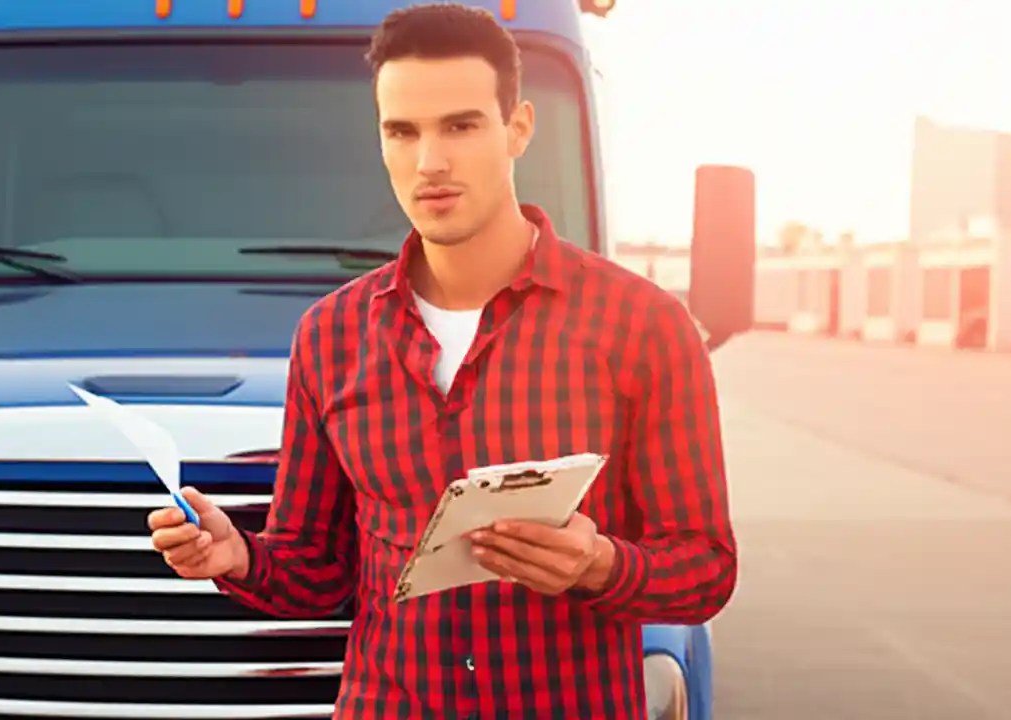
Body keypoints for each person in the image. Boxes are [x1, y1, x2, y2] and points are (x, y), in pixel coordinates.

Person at [148, 4, 737, 718]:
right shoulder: (330, 337)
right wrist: (240, 558)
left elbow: (705, 569)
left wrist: (600, 564)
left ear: (518, 128)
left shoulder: (642, 325)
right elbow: (316, 570)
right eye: (403, 131)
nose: (430, 161)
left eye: (461, 125)